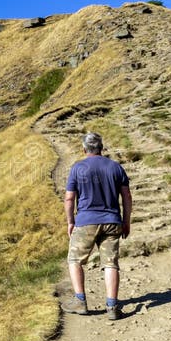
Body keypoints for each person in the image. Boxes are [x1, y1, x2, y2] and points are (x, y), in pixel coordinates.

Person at [63, 132, 132, 320]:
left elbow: (69, 198)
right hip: (112, 221)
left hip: (86, 221)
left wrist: (70, 222)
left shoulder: (78, 168)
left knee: (75, 260)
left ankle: (80, 301)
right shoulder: (116, 167)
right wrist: (126, 221)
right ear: (101, 147)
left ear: (84, 149)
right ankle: (112, 307)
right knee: (110, 263)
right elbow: (126, 196)